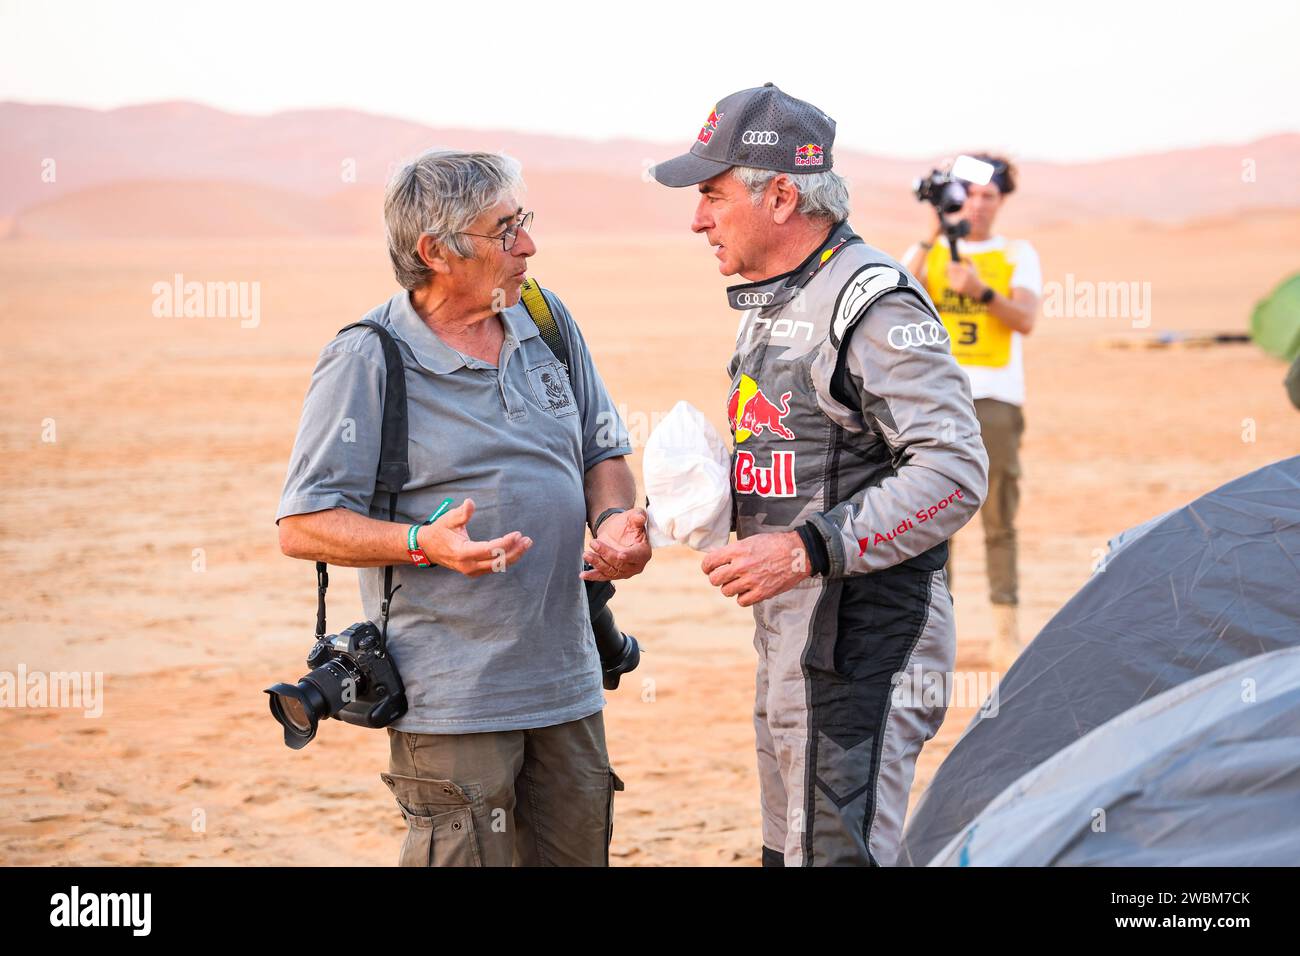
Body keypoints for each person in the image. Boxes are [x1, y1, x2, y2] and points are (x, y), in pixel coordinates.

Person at [275, 149, 651, 866]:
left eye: (524, 223)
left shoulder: (544, 318)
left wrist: (612, 525)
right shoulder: (369, 358)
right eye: (505, 230)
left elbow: (602, 452)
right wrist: (424, 542)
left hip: (568, 688)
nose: (529, 247)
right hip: (453, 704)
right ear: (435, 251)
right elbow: (303, 525)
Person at [652, 84, 988, 866]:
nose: (697, 219)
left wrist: (807, 549)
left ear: (779, 195)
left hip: (867, 632)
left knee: (839, 855)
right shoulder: (776, 300)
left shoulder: (873, 305)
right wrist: (660, 507)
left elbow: (954, 468)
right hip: (797, 636)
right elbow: (793, 448)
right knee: (793, 850)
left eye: (710, 195)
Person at [901, 156, 1041, 661]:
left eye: (988, 197)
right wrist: (934, 235)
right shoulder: (929, 252)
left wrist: (980, 291)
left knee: (999, 514)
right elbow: (897, 289)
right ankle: (941, 624)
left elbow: (1024, 317)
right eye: (969, 195)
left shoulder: (1016, 254)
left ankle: (1006, 625)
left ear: (1001, 201)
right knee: (935, 513)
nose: (977, 206)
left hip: (996, 398)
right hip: (936, 399)